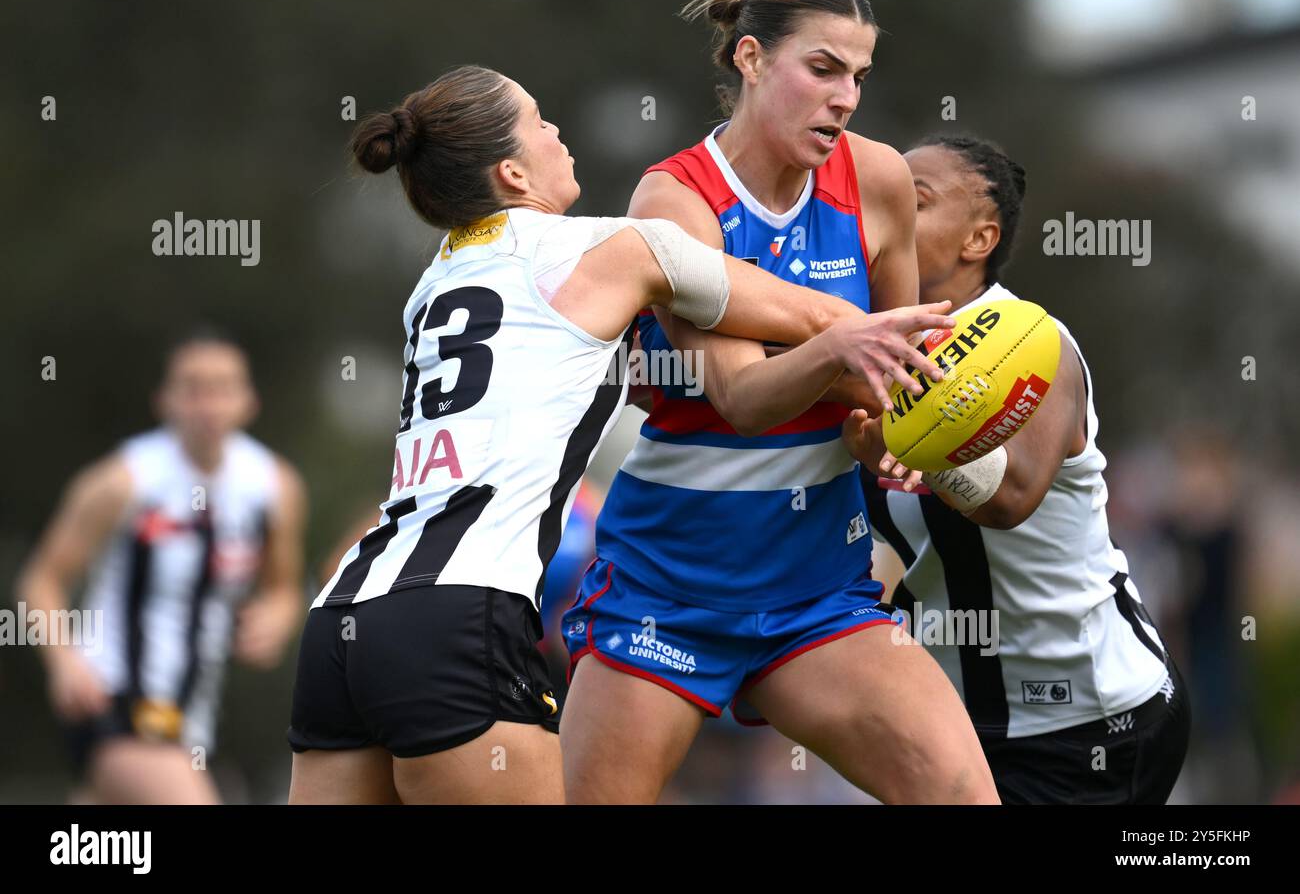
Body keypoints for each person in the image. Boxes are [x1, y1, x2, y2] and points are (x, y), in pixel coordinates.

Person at [285, 64, 957, 804]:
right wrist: (925, 353)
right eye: (540, 121)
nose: (558, 134)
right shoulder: (615, 249)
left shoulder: (434, 283)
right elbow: (806, 316)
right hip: (458, 619)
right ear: (512, 171)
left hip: (343, 621)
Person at [560, 0, 998, 804]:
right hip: (670, 586)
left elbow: (887, 387)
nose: (845, 99)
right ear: (752, 59)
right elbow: (743, 397)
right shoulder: (674, 198)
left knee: (966, 798)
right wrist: (844, 340)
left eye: (860, 79)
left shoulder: (878, 181)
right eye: (824, 69)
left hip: (818, 591)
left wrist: (893, 441)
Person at [847, 134, 1190, 804]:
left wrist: (912, 450)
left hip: (1090, 723)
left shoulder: (1033, 340)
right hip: (961, 721)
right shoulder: (867, 347)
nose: (882, 213)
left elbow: (1011, 498)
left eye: (913, 201)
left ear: (979, 240)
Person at [17, 330, 307, 804]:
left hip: (190, 718)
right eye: (193, 389)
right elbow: (41, 578)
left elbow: (283, 589)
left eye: (222, 388)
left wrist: (277, 617)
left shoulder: (274, 488)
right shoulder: (123, 480)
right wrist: (63, 662)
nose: (208, 404)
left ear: (248, 401)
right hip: (113, 696)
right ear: (165, 400)